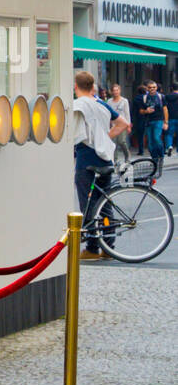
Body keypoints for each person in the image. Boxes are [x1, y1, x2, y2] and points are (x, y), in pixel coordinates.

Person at [71, 71, 128, 260]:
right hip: (105, 158)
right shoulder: (101, 104)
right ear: (92, 86)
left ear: (76, 86)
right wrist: (104, 138)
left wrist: (95, 140)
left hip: (87, 159)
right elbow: (122, 123)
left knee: (87, 204)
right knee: (105, 204)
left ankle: (92, 248)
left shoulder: (78, 105)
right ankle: (108, 247)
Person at [106, 83, 132, 168]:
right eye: (114, 90)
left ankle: (127, 156)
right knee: (113, 143)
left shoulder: (124, 101)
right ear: (112, 92)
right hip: (113, 125)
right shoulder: (109, 101)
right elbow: (108, 114)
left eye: (117, 90)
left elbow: (127, 113)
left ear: (119, 91)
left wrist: (128, 125)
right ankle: (115, 160)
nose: (116, 92)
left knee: (121, 141)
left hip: (123, 124)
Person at [165, 84, 178, 156]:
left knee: (169, 134)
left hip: (170, 117)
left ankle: (169, 146)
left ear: (171, 88)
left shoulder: (167, 97)